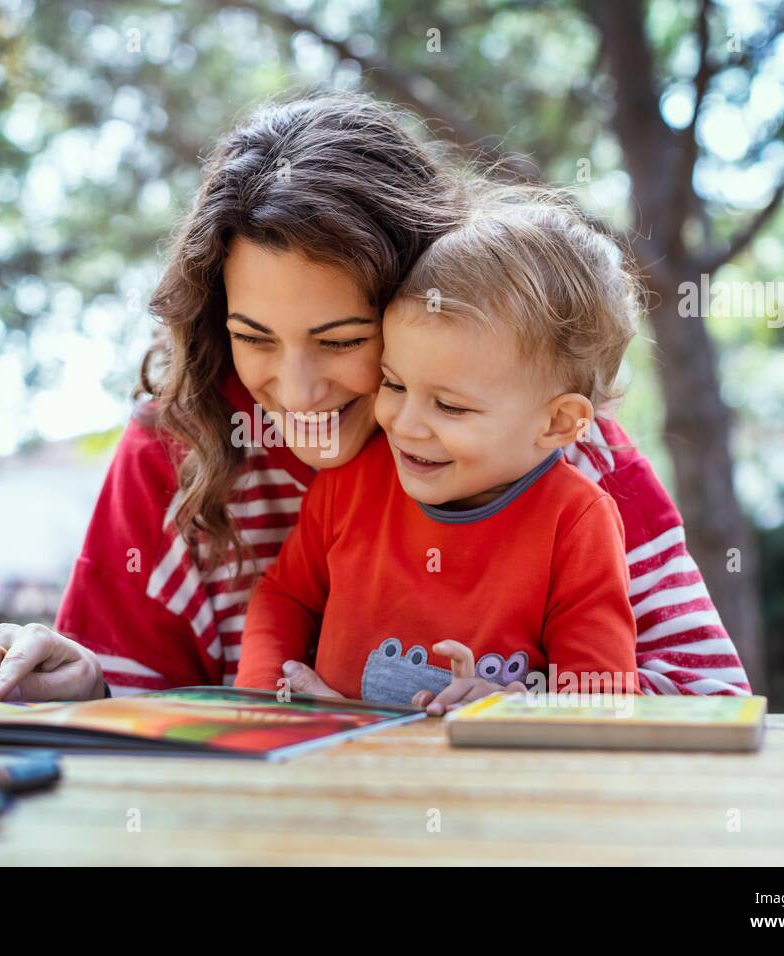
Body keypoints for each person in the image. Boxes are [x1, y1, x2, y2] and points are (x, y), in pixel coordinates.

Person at [0, 92, 751, 704]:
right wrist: (77, 689)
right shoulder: (174, 452)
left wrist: (516, 704)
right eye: (254, 338)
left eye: (342, 341)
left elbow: (712, 697)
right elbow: (147, 713)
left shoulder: (561, 448)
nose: (296, 390)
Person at [236, 187, 643, 713]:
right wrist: (268, 696)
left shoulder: (574, 522)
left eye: (449, 407)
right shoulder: (352, 481)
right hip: (332, 766)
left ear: (558, 422)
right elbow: (283, 595)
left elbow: (602, 698)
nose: (404, 425)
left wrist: (510, 707)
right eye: (395, 384)